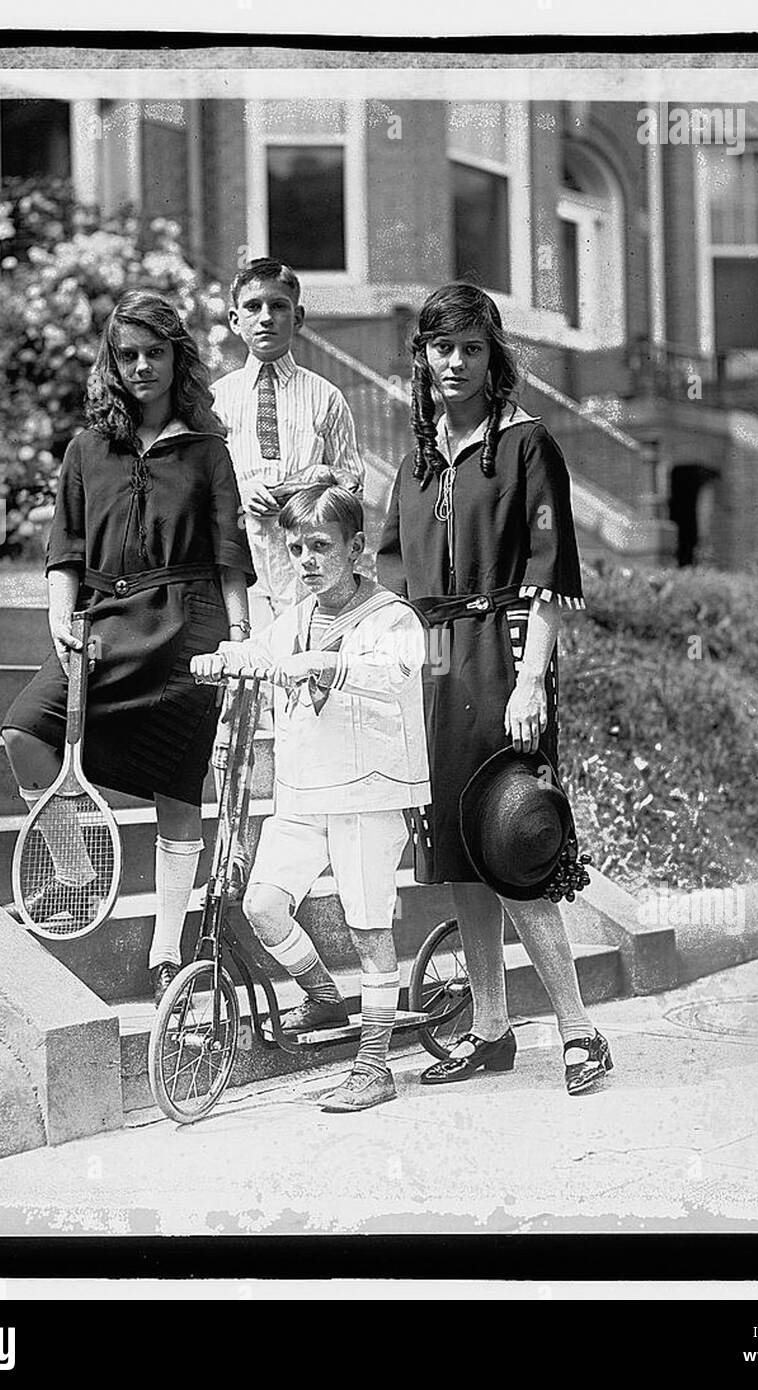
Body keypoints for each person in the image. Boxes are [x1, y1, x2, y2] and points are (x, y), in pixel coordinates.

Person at [377, 282, 613, 1095]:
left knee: (513, 844)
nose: (454, 362)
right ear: (423, 357)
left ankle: (581, 1032)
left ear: (492, 358)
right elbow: (388, 575)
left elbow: (550, 574)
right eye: (441, 348)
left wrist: (530, 681)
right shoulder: (413, 458)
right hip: (435, 661)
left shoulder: (526, 444)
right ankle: (489, 1026)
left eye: (470, 349)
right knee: (458, 853)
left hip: (505, 649)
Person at [1, 289, 255, 1004]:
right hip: (102, 626)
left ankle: (168, 953)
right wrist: (61, 615)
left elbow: (229, 552)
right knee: (24, 729)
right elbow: (65, 548)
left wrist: (237, 639)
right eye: (128, 355)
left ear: (179, 358)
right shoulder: (87, 448)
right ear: (111, 364)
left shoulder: (209, 452)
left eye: (155, 353)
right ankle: (77, 871)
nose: (141, 366)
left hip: (188, 629)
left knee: (180, 789)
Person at [192, 483, 430, 1112]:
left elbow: (397, 671)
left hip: (367, 791)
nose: (306, 560)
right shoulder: (295, 617)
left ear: (356, 549)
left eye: (321, 546)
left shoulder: (392, 617)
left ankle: (376, 1064)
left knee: (367, 922)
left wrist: (330, 667)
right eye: (295, 548)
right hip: (303, 790)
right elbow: (258, 653)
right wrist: (225, 656)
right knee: (265, 903)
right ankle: (323, 995)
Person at [210, 257, 364, 615]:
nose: (266, 317)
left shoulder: (325, 397)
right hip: (242, 557)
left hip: (308, 560)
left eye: (278, 306)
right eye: (252, 307)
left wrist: (304, 490)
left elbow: (351, 483)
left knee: (306, 659)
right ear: (235, 320)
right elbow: (203, 482)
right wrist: (243, 494)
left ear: (297, 318)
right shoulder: (216, 399)